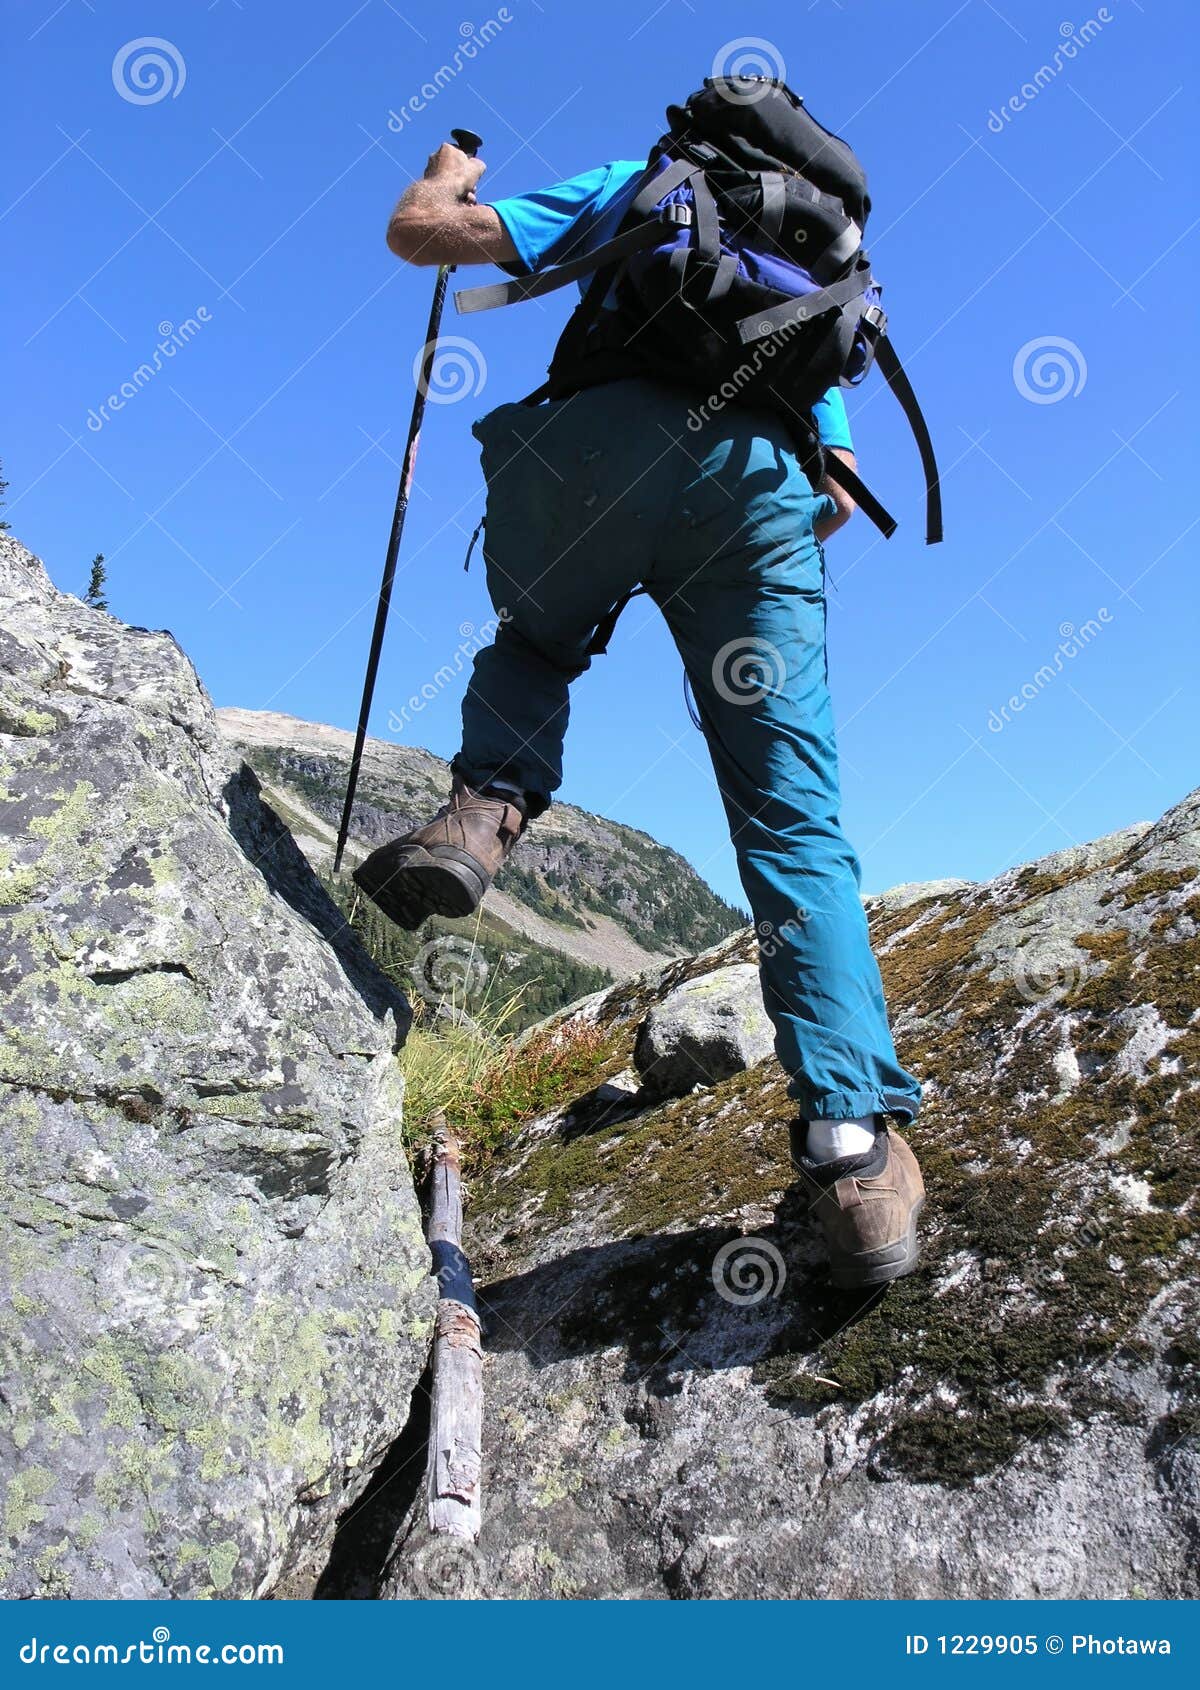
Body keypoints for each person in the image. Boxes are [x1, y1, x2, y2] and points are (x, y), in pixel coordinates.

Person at [355, 138, 924, 1287]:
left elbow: (420, 235)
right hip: (760, 488)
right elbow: (841, 499)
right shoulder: (827, 265)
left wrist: (448, 169)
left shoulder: (643, 184)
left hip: (586, 453)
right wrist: (724, 568)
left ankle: (484, 809)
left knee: (536, 641)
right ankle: (854, 1157)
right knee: (791, 821)